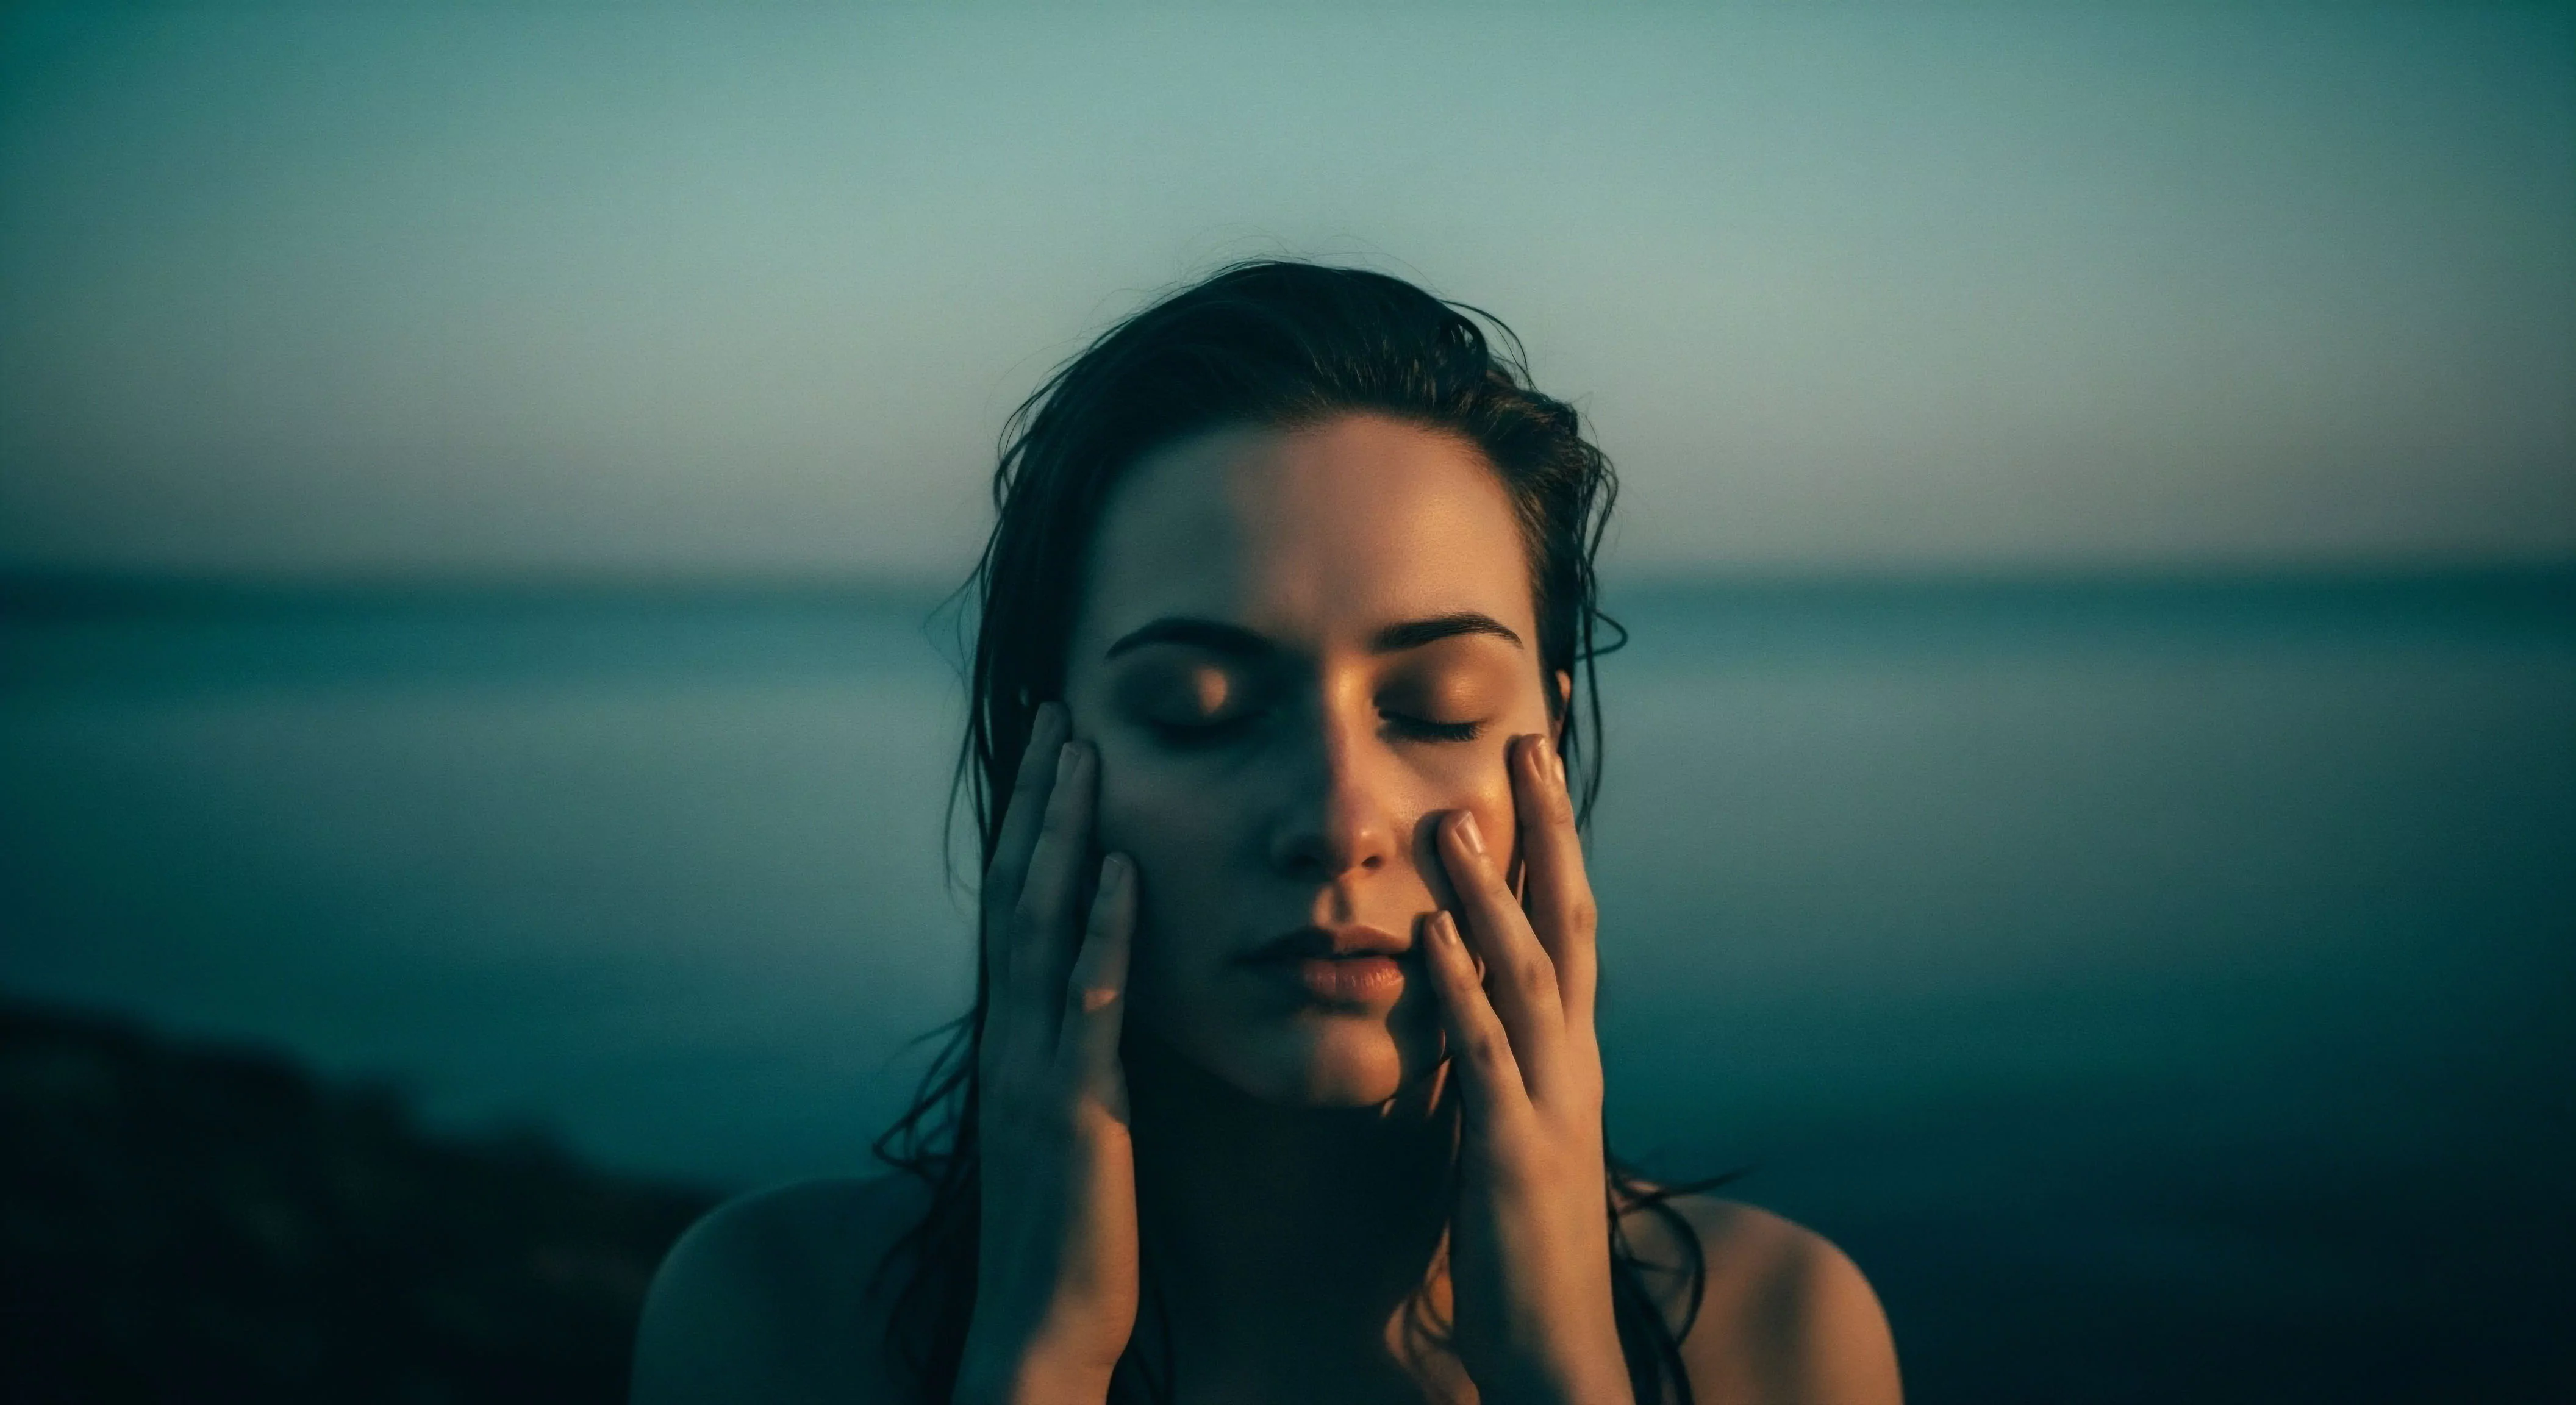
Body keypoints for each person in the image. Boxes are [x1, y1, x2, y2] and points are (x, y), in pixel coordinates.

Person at [631, 261, 1902, 1404]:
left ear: (1547, 756)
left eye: (1435, 710)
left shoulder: (1778, 1338)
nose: (1339, 821)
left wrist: (1564, 1373)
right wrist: (1036, 1364)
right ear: (1043, 756)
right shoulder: (772, 1320)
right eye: (1201, 713)